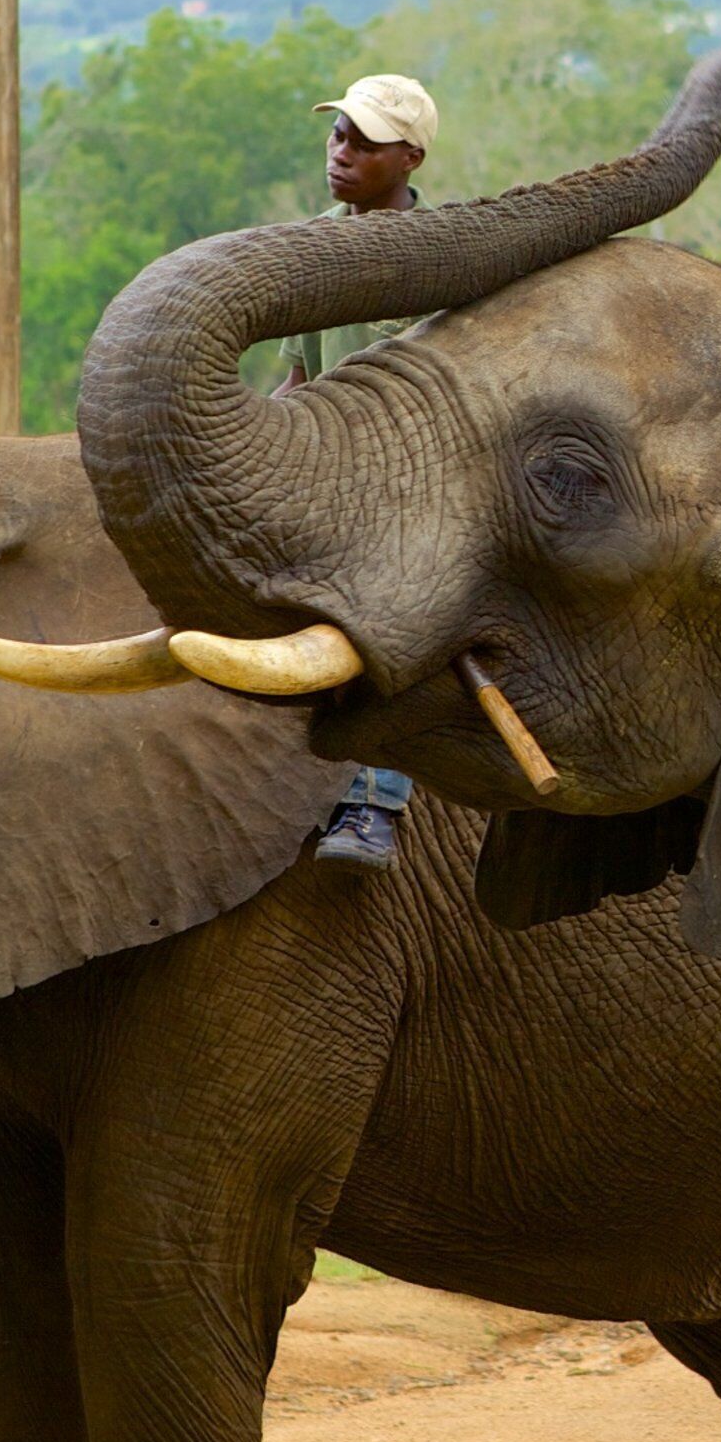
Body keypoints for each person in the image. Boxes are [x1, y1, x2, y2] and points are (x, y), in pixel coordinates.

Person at [285, 72, 440, 871]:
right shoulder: (312, 245)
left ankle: (373, 801)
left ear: (409, 158)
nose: (340, 153)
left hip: (415, 492)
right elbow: (296, 380)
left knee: (386, 623)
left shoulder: (448, 255)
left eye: (364, 143)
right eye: (337, 134)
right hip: (322, 478)